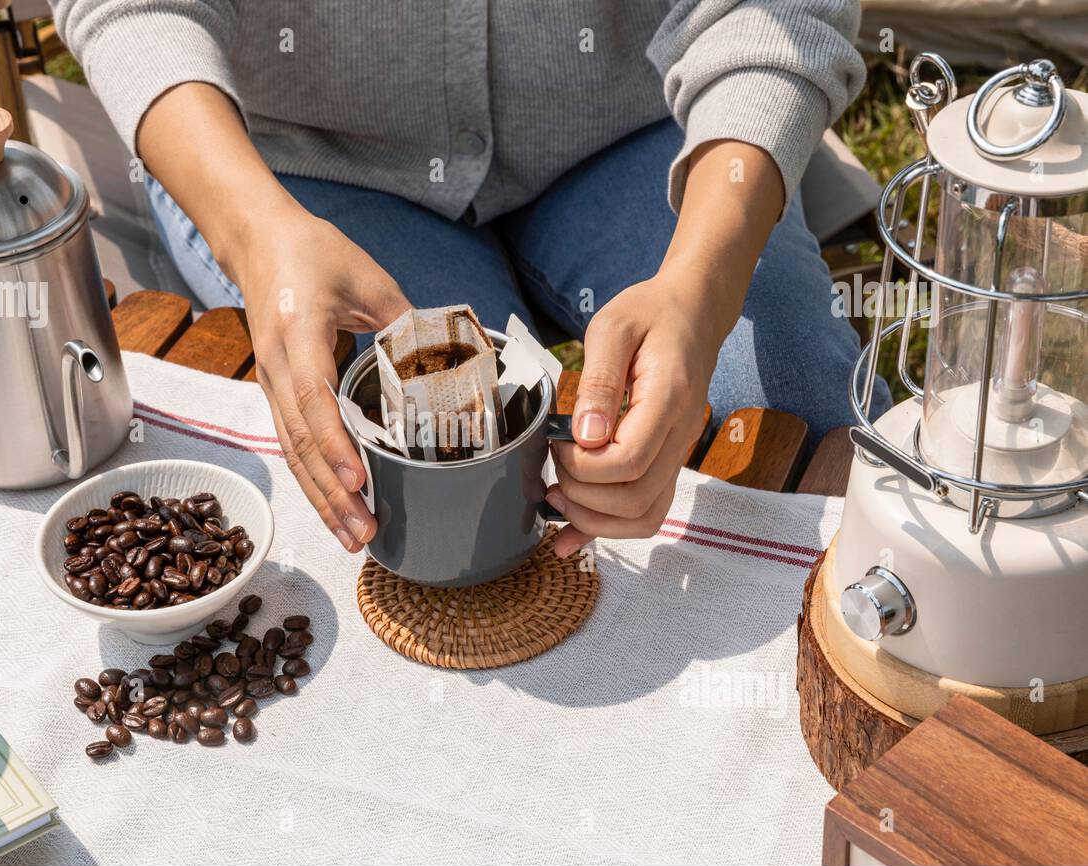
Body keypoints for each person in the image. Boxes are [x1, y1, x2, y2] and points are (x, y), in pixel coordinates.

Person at [53, 0, 890, 558]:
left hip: (641, 131)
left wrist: (703, 291)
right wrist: (258, 236)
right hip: (300, 172)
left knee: (817, 440)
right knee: (448, 514)